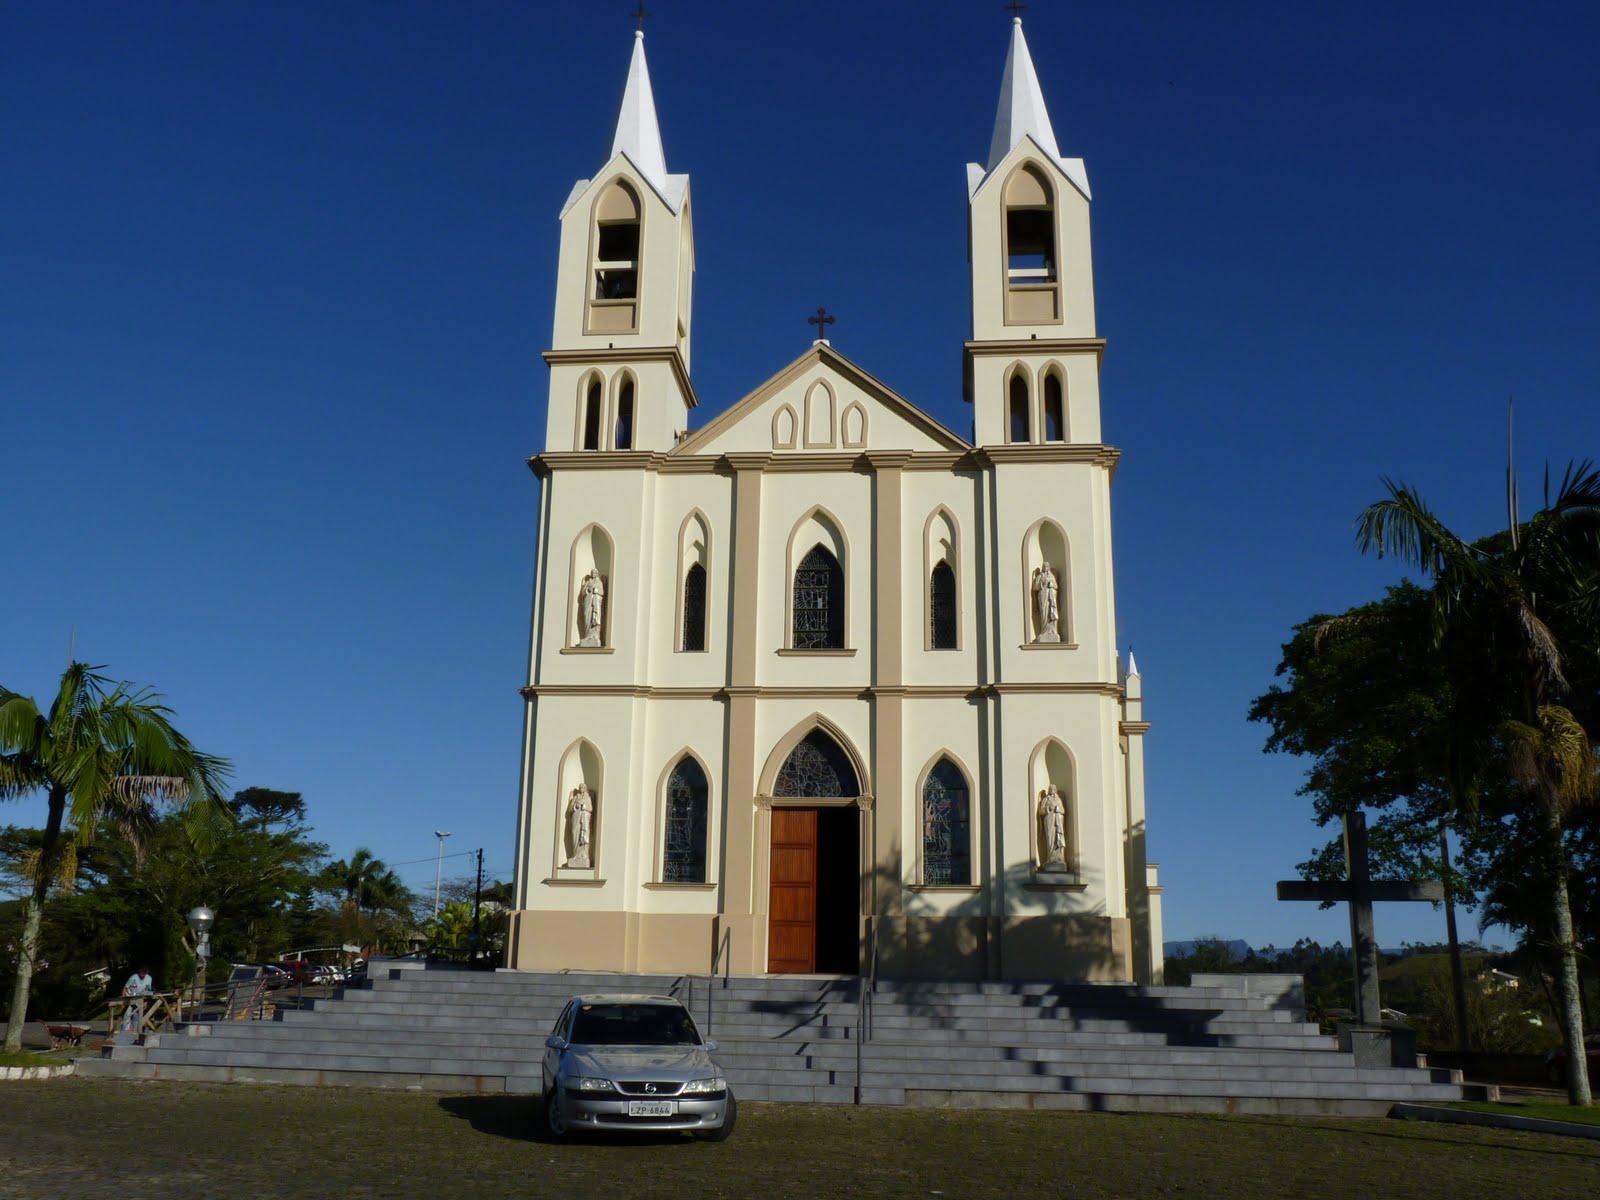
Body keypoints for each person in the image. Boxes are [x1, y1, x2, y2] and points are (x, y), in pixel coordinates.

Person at [121, 964, 155, 1035]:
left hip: (140, 998)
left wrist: (146, 1002)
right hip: (130, 997)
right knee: (127, 1015)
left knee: (137, 1016)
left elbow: (148, 991)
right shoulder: (133, 977)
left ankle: (135, 1033)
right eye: (141, 973)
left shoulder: (149, 978)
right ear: (139, 971)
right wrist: (123, 1001)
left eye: (144, 974)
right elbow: (125, 988)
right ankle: (123, 1033)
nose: (142, 976)